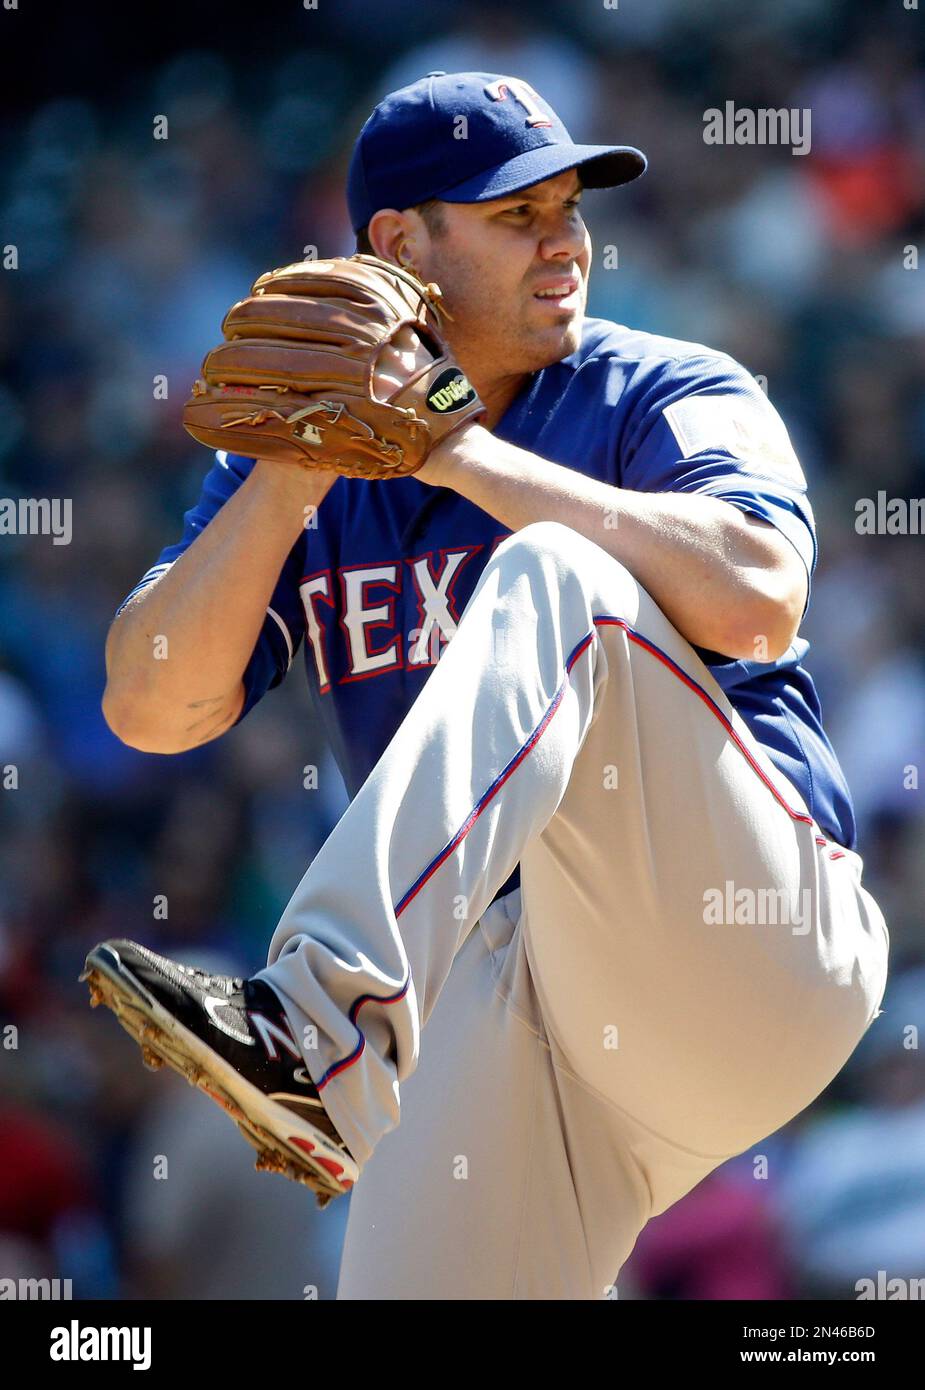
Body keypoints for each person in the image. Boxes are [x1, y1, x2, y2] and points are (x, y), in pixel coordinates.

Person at [84, 72, 890, 1300]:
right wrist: (291, 476)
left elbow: (758, 594)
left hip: (741, 946)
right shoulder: (313, 463)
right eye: (517, 213)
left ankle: (314, 1024)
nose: (564, 239)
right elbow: (152, 706)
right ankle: (336, 1036)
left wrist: (458, 454)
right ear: (400, 247)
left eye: (571, 207)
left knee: (559, 572)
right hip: (524, 1037)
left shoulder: (663, 387)